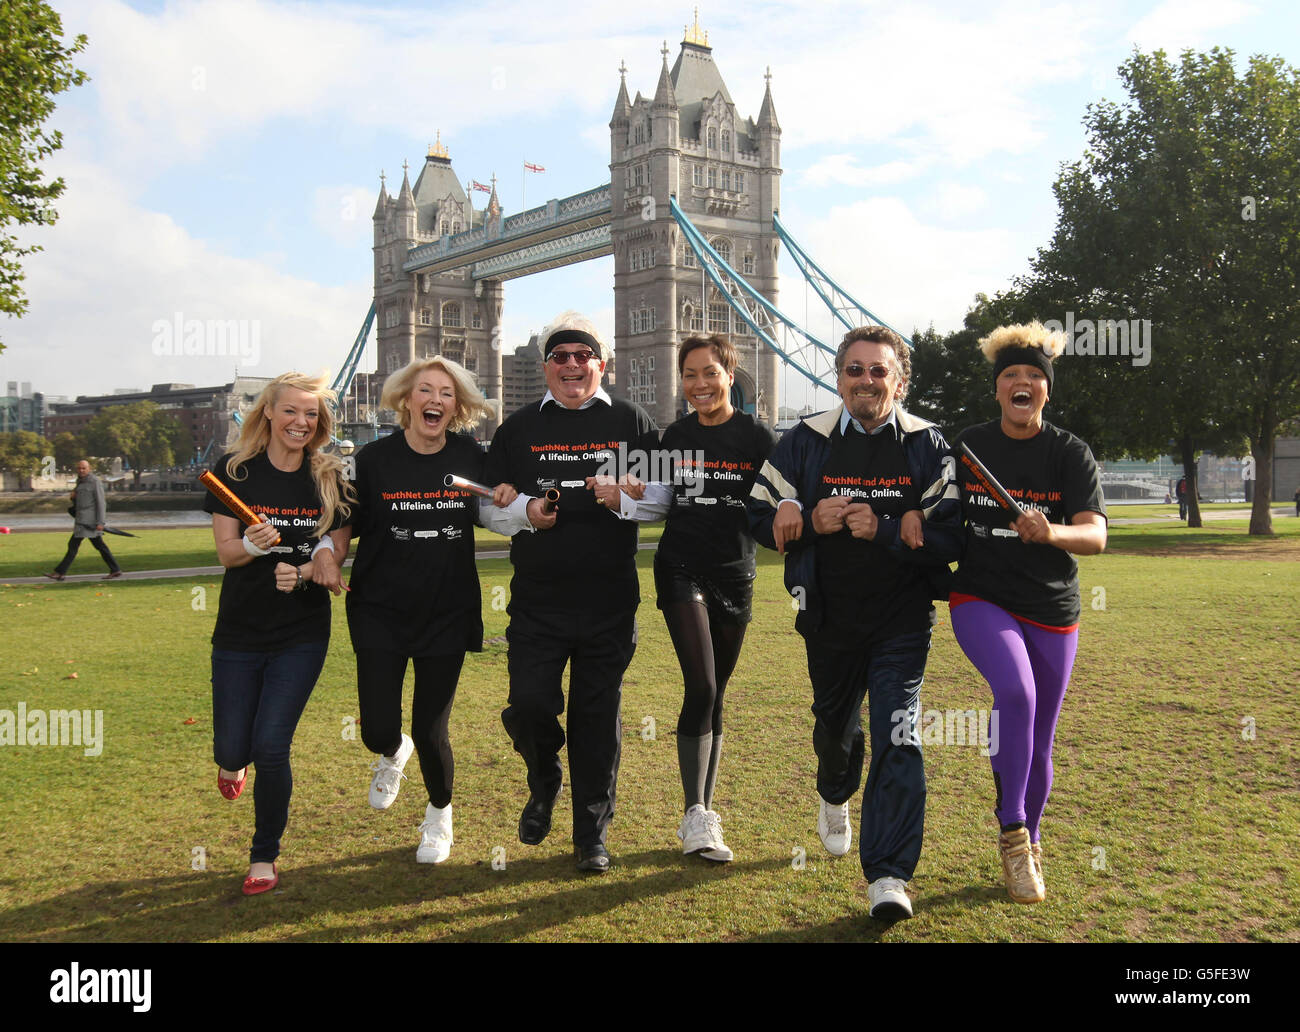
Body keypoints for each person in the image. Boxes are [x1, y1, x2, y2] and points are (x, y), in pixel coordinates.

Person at [747, 325, 961, 919]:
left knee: (900, 733)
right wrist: (806, 518)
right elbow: (757, 516)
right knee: (836, 729)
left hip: (902, 620)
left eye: (879, 370)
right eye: (855, 370)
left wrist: (889, 530)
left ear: (899, 379)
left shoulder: (928, 443)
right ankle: (834, 790)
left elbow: (951, 533)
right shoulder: (804, 440)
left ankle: (889, 876)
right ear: (839, 377)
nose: (866, 380)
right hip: (828, 617)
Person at [482, 311, 658, 873]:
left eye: (583, 356)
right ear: (547, 367)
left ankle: (591, 835)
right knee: (531, 704)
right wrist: (525, 513)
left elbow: (664, 497)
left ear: (601, 365)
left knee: (595, 717)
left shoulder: (631, 421)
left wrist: (624, 500)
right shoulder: (518, 429)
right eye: (561, 357)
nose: (572, 365)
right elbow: (487, 502)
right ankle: (543, 776)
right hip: (538, 600)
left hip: (610, 600)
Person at [945, 322, 1107, 904]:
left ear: (1046, 389)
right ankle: (1013, 832)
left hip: (1053, 608)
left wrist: (1052, 530)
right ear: (996, 390)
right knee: (1016, 695)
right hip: (981, 598)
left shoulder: (1069, 453)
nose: (1022, 382)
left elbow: (1095, 536)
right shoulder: (969, 445)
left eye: (1033, 375)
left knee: (1041, 738)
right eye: (1010, 374)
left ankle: (1030, 843)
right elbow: (935, 507)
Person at [599, 334, 776, 862]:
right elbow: (656, 502)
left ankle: (704, 810)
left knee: (716, 692)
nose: (699, 384)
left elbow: (777, 505)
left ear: (731, 375)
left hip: (736, 575)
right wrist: (625, 495)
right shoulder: (673, 435)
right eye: (690, 375)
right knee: (699, 683)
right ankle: (695, 816)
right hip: (680, 569)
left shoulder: (758, 438)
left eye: (710, 373)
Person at [334, 356, 515, 864]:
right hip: (378, 609)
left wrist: (511, 501)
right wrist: (326, 557)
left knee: (431, 727)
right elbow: (345, 524)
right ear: (405, 400)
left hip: (446, 610)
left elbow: (497, 509)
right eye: (425, 391)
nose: (435, 400)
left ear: (456, 405)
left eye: (446, 393)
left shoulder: (470, 456)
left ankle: (439, 816)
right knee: (376, 727)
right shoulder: (372, 460)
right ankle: (393, 752)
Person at [203, 372, 354, 896]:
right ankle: (230, 762)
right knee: (233, 746)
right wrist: (255, 544)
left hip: (302, 633)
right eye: (291, 411)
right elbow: (227, 554)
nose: (301, 422)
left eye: (311, 414)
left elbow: (334, 552)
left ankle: (263, 855)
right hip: (239, 634)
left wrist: (311, 567)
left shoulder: (329, 477)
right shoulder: (233, 474)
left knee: (271, 746)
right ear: (268, 412)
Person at [46, 460, 122, 580]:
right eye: (79, 468)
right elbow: (80, 502)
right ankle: (115, 569)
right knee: (99, 546)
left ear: (89, 469)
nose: (81, 470)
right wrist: (73, 498)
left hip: (90, 523)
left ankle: (60, 573)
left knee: (74, 546)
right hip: (81, 521)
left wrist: (101, 522)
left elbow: (101, 503)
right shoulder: (79, 482)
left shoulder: (95, 482)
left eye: (84, 468)